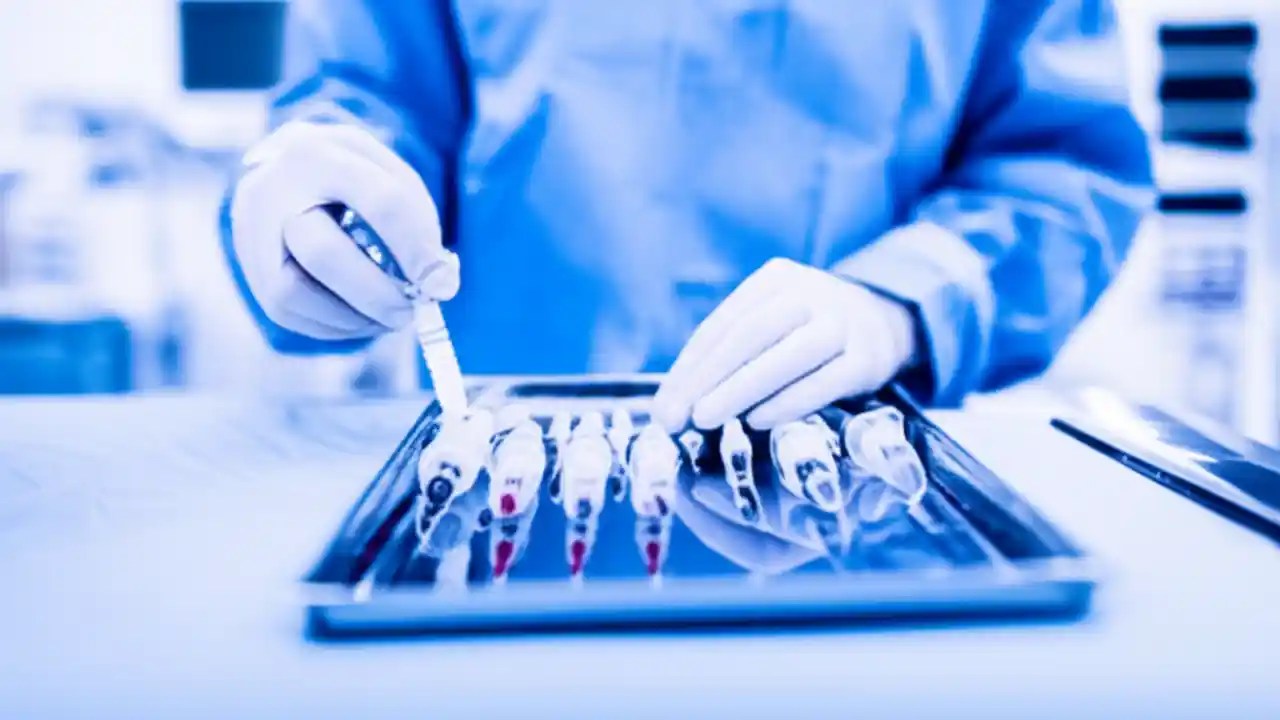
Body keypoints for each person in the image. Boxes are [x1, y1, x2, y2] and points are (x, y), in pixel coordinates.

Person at [226, 0, 1152, 433]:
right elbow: (369, 98)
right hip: (510, 475)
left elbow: (1060, 167)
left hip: (849, 484)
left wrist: (902, 301)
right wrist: (317, 193)